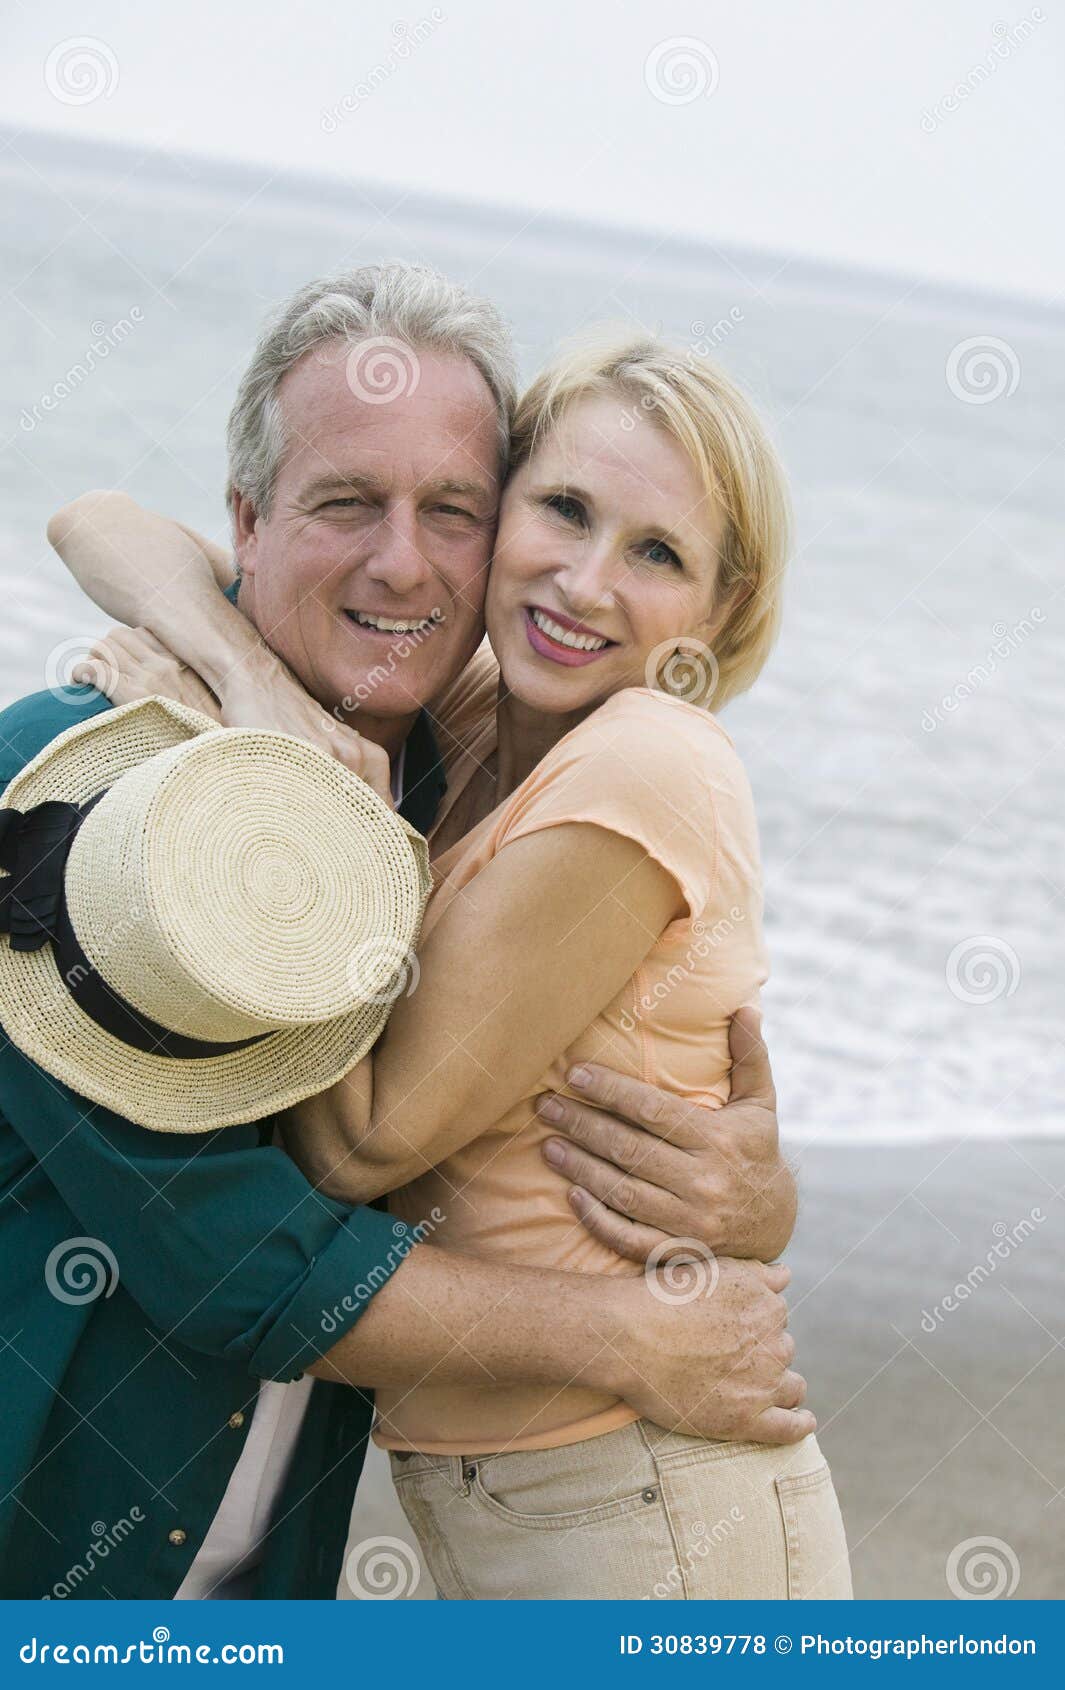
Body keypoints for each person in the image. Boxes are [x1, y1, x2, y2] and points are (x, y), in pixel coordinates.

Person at [2, 266, 803, 1602]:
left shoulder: (449, 773)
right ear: (247, 522)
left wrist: (756, 1199)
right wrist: (634, 1334)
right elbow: (240, 1264)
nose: (401, 562)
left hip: (268, 1595)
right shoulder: (68, 791)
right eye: (343, 503)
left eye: (454, 512)